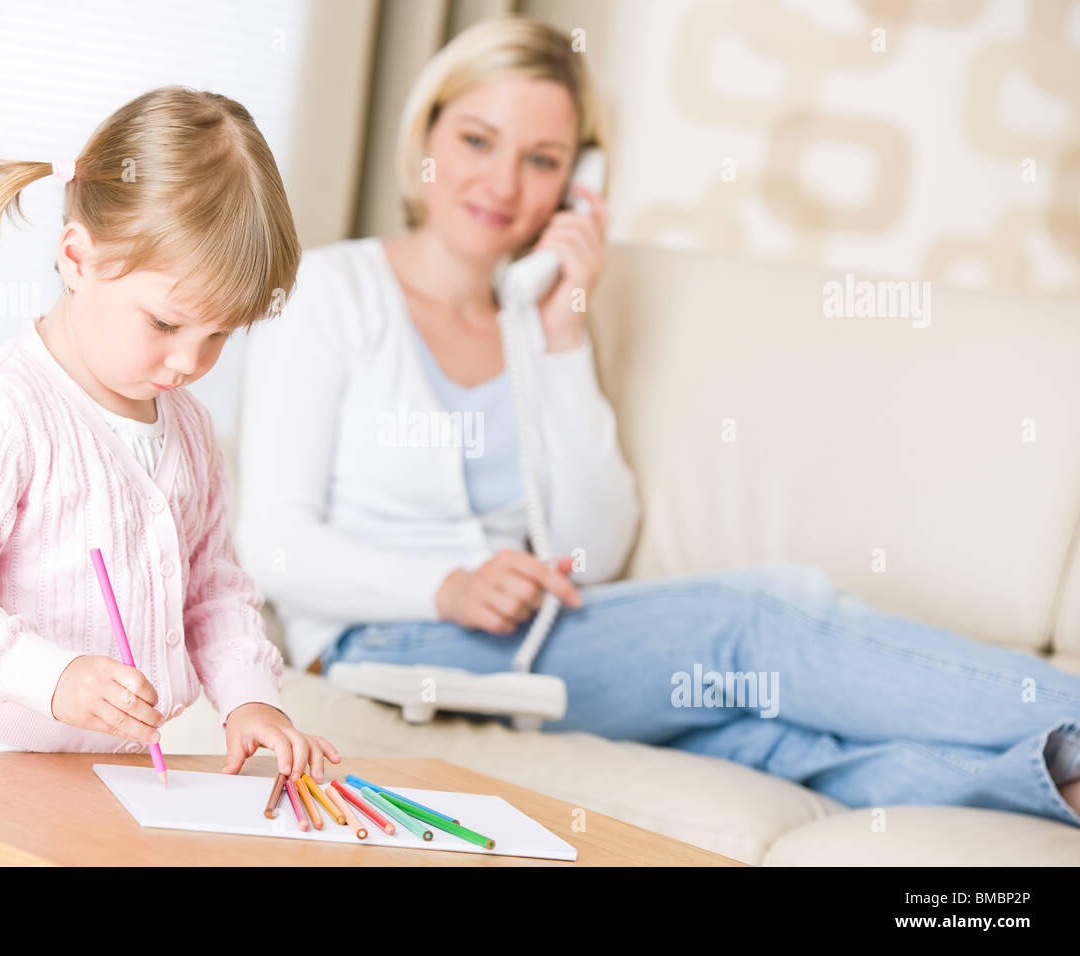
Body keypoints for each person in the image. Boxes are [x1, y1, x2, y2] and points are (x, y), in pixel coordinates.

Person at [235, 17, 1080, 825]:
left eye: (542, 159)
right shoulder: (328, 294)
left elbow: (593, 551)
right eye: (476, 140)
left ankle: (1056, 783)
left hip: (522, 648)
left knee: (773, 743)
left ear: (579, 181)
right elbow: (272, 544)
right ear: (425, 134)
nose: (501, 183)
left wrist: (563, 334)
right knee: (762, 620)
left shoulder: (536, 321)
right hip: (385, 643)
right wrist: (447, 586)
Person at [0, 86, 339, 783]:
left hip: (118, 774)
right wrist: (52, 676)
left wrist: (251, 699)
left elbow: (213, 589)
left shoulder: (189, 429)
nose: (190, 363)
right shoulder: (4, 410)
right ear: (78, 260)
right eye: (164, 324)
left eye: (219, 333)